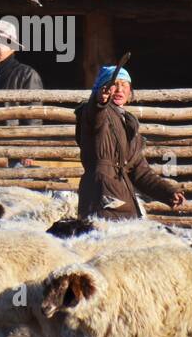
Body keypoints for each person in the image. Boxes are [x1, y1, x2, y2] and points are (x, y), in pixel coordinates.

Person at [74, 64, 185, 220]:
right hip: (100, 196)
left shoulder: (128, 124)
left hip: (124, 198)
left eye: (125, 84)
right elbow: (95, 113)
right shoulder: (93, 113)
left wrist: (168, 192)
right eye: (114, 85)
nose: (120, 89)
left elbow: (141, 173)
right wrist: (99, 101)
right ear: (103, 89)